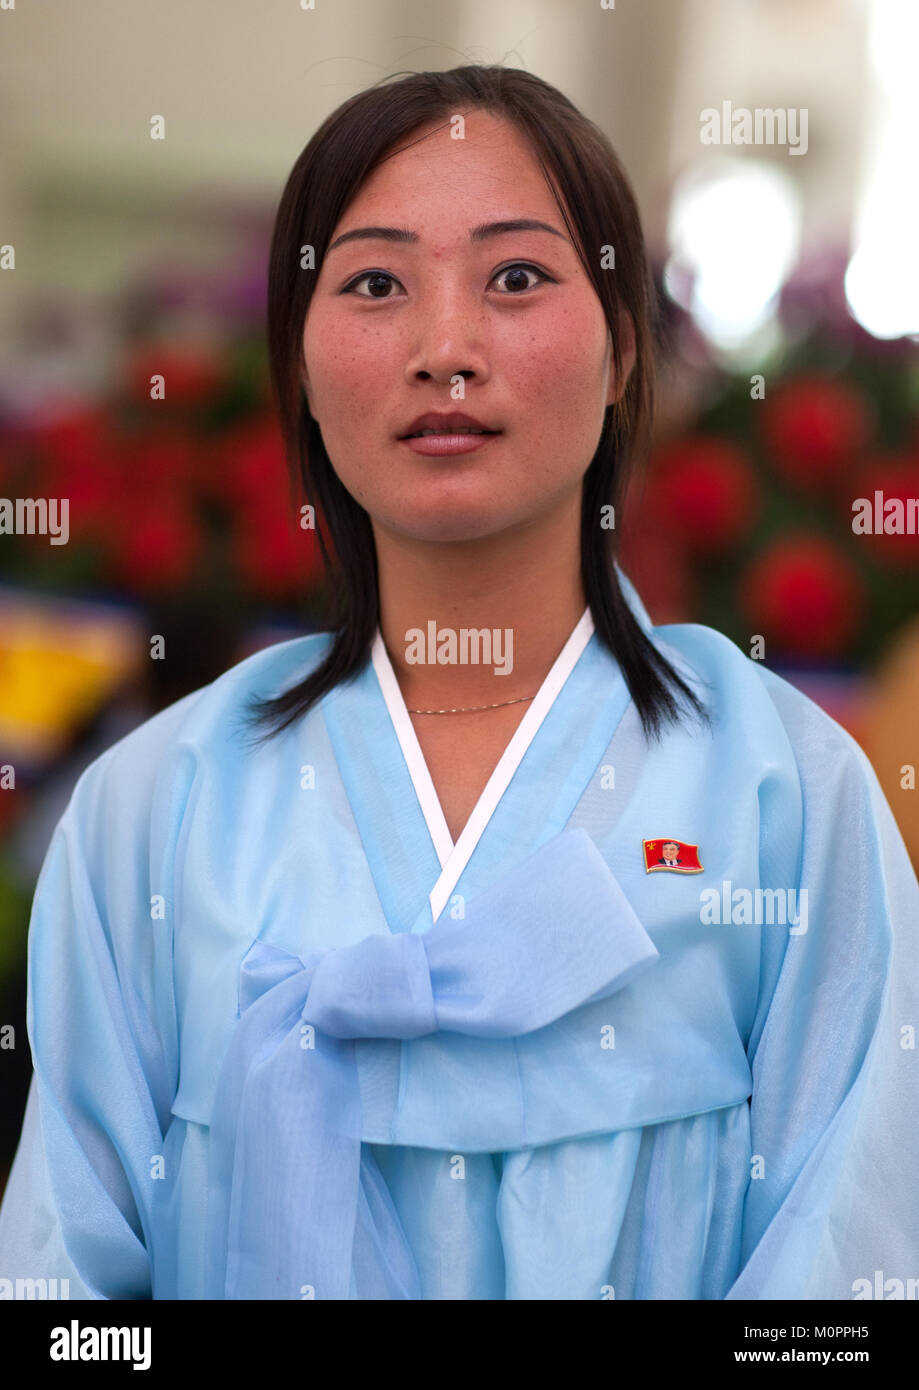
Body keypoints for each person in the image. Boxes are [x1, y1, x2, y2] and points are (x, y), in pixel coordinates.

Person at [1, 63, 918, 1302]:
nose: (446, 348)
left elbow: (846, 1273)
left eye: (519, 277)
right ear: (303, 370)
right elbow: (62, 1296)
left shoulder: (788, 800)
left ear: (619, 356)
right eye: (375, 282)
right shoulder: (147, 815)